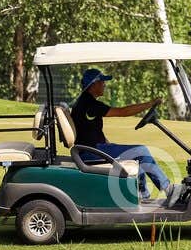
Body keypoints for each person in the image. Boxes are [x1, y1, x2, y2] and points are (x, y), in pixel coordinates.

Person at [68, 68, 175, 202]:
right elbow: (122, 112)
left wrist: (107, 143)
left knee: (136, 155)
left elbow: (90, 129)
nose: (104, 85)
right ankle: (167, 189)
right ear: (93, 85)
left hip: (93, 148)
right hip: (92, 152)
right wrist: (150, 104)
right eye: (102, 82)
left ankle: (143, 196)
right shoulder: (89, 104)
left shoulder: (84, 102)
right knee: (141, 150)